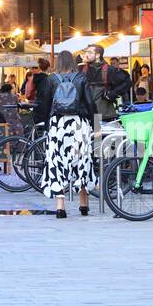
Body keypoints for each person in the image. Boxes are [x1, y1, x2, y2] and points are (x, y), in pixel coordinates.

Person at [37, 49, 96, 218]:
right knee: (82, 161)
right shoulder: (81, 78)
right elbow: (90, 104)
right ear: (72, 62)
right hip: (79, 125)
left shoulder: (51, 80)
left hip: (58, 126)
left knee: (57, 163)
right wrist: (96, 125)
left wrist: (48, 126)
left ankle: (60, 207)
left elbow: (45, 105)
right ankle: (83, 205)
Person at [82, 43, 133, 121]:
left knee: (98, 132)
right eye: (86, 52)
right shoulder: (82, 69)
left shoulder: (110, 70)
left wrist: (113, 93)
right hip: (85, 116)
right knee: (91, 133)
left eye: (90, 52)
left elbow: (127, 82)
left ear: (98, 55)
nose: (86, 54)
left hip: (102, 116)